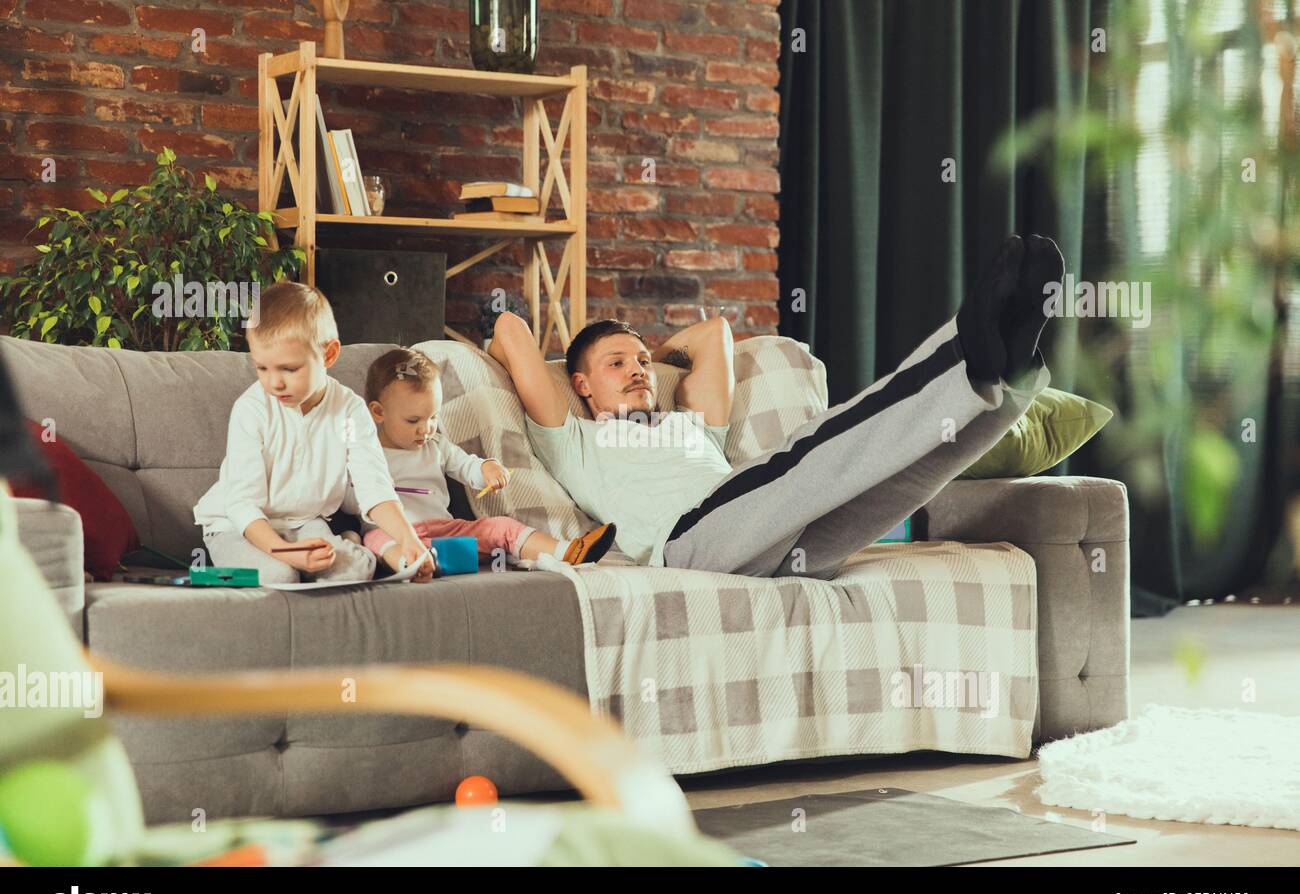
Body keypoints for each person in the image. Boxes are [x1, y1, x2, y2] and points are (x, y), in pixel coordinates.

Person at [489, 234, 1063, 578]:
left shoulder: (688, 424)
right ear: (580, 386)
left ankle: (1007, 380)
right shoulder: (575, 441)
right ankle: (965, 348)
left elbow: (713, 332)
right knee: (812, 454)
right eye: (617, 363)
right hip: (689, 542)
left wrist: (656, 362)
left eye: (639, 361)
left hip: (771, 546)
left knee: (895, 481)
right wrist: (585, 367)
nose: (637, 369)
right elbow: (510, 331)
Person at [193, 282, 436, 584]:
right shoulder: (251, 409)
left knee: (355, 571)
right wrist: (285, 553)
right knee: (279, 575)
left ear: (329, 354)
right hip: (238, 525)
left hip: (306, 524)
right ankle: (218, 570)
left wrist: (409, 541)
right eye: (262, 368)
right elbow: (242, 504)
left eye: (289, 369)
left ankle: (346, 542)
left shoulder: (350, 412)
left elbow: (374, 487)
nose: (274, 383)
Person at [358, 347, 616, 566]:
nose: (426, 429)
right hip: (394, 533)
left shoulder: (435, 445)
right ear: (378, 412)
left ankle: (566, 552)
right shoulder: (365, 453)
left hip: (445, 530)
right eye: (413, 420)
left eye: (433, 417)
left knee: (501, 527)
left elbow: (465, 464)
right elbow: (350, 498)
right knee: (374, 541)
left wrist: (486, 469)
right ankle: (413, 564)